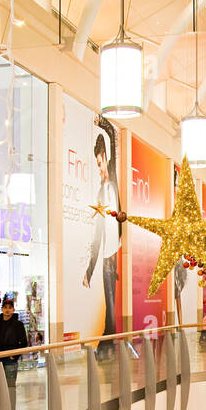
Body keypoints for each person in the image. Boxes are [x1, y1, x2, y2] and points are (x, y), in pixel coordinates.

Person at [83, 129, 121, 338]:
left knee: (111, 302)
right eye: (96, 165)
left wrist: (103, 124)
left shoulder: (113, 181)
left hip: (114, 253)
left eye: (100, 163)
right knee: (110, 303)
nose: (99, 169)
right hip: (107, 257)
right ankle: (109, 338)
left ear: (106, 159)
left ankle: (109, 338)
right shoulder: (99, 194)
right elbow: (97, 235)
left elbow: (113, 140)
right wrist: (89, 271)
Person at [0, 296, 28, 410]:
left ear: (13, 310)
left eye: (10, 308)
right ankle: (2, 404)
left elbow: (23, 343)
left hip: (10, 360)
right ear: (2, 309)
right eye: (5, 307)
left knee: (10, 385)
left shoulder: (18, 325)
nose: (7, 310)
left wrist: (14, 356)